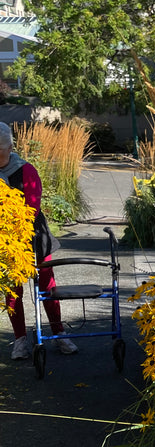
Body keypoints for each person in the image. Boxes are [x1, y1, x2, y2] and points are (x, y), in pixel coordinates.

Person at [0, 121, 78, 359]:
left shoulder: (26, 170)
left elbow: (32, 208)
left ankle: (59, 334)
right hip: (4, 240)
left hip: (33, 235)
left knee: (46, 283)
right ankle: (20, 340)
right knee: (13, 291)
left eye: (1, 149)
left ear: (9, 146)